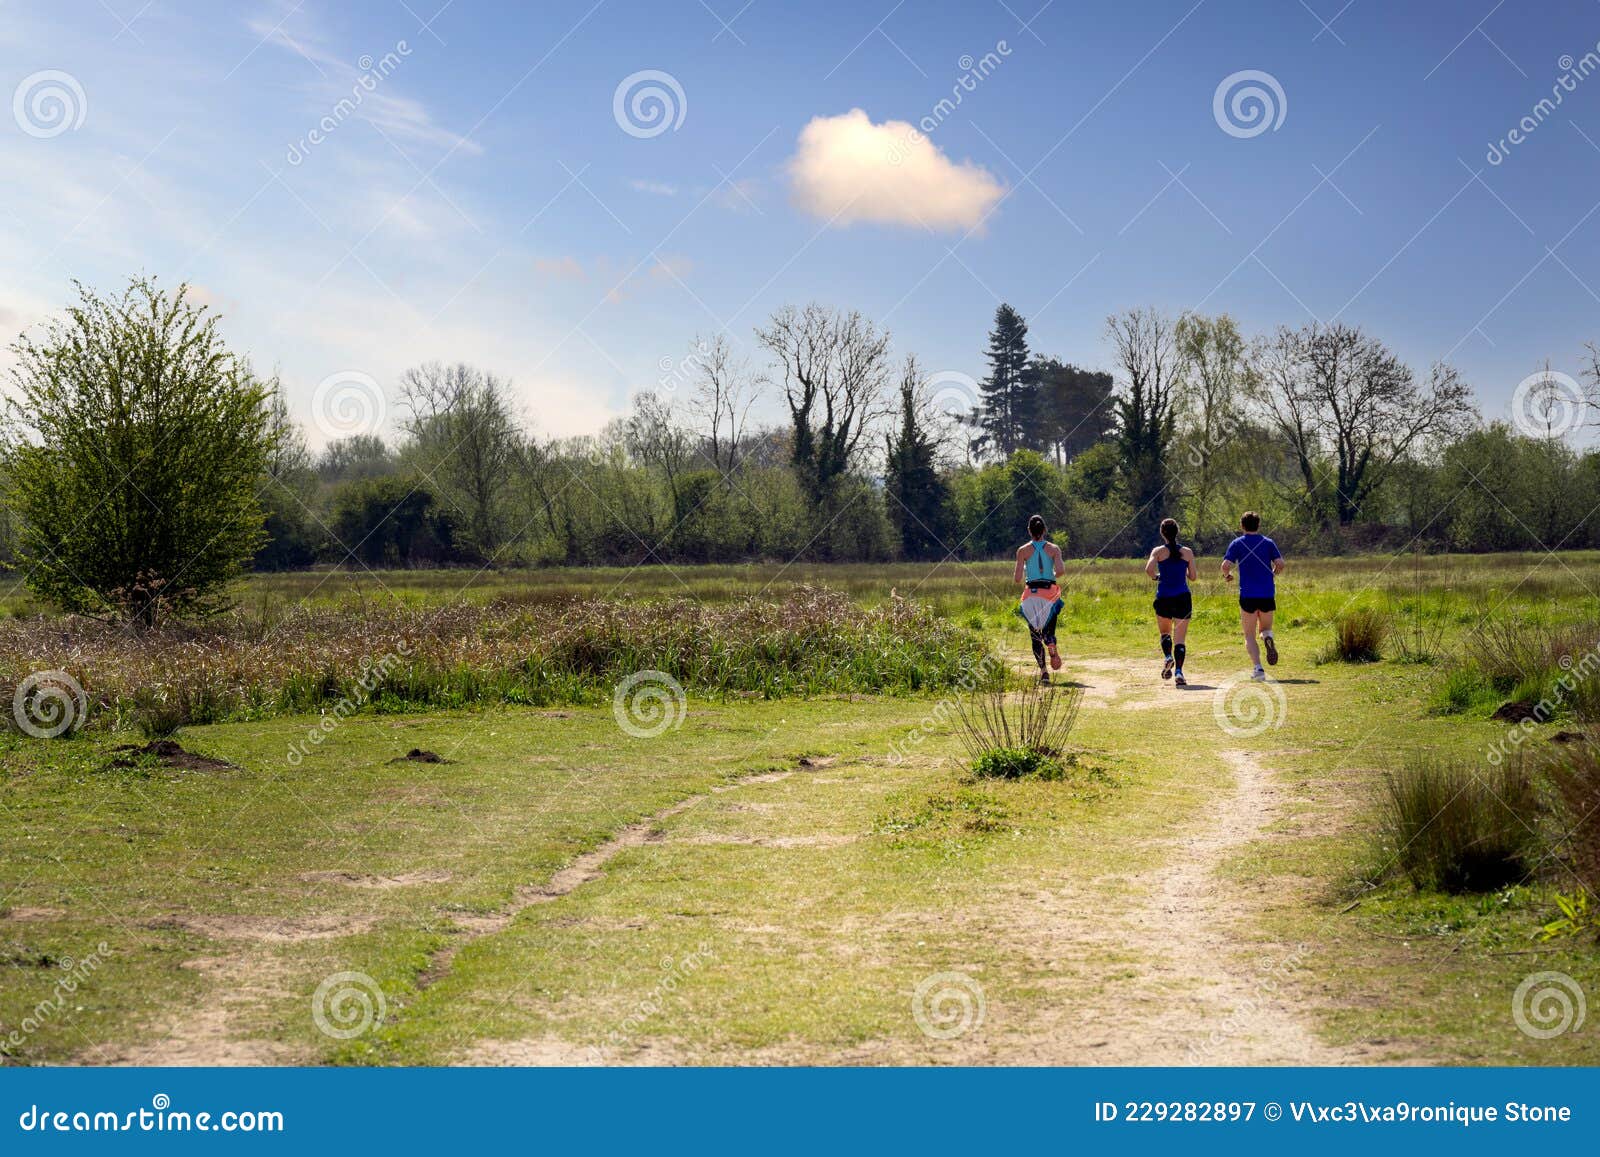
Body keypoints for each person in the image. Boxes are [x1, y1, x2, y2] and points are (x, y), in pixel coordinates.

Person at [1220, 510, 1284, 681]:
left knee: (1249, 634)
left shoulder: (1237, 543)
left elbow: (1225, 565)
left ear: (1242, 526)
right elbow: (1280, 564)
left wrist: (1227, 577)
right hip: (1267, 593)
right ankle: (1268, 638)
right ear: (1258, 525)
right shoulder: (1268, 542)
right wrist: (1273, 573)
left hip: (1247, 594)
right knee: (1265, 629)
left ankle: (1258, 669)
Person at [1013, 514, 1065, 684]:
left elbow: (1018, 578)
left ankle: (1043, 672)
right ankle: (1050, 642)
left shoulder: (1022, 551)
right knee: (1049, 630)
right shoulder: (1054, 549)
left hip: (1030, 596)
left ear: (1029, 530)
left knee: (1035, 636)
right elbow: (1061, 571)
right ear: (1044, 530)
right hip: (1049, 594)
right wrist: (1051, 574)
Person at [1144, 517, 1197, 686]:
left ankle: (1167, 657)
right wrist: (1184, 573)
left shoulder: (1158, 551)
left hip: (1164, 597)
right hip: (1182, 597)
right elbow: (1193, 577)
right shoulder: (1187, 552)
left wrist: (1156, 577)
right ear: (1177, 532)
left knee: (1165, 634)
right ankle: (1179, 673)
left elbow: (1149, 570)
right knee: (1180, 639)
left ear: (1162, 533)